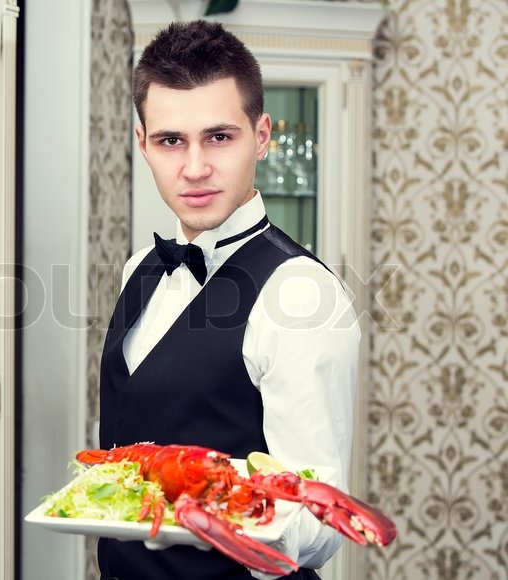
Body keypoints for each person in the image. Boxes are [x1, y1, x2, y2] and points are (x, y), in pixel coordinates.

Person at [97, 20, 361, 580]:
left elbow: (317, 524)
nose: (194, 168)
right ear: (143, 143)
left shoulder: (301, 292)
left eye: (219, 136)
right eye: (171, 140)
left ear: (261, 136)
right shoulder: (138, 270)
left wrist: (217, 514)